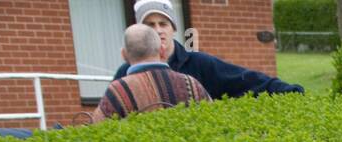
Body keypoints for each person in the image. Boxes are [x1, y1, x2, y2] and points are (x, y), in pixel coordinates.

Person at [114, 0, 304, 99]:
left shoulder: (199, 64)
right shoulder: (124, 73)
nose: (157, 30)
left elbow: (245, 81)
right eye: (149, 24)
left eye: (163, 23)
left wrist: (290, 92)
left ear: (173, 27)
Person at [90, 24, 210, 122]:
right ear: (162, 51)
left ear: (124, 55)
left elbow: (97, 130)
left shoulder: (118, 91)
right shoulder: (190, 83)